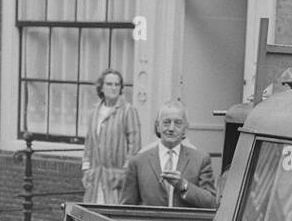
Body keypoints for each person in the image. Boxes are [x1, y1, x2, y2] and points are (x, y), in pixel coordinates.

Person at [121, 102, 216, 209]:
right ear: (157, 126)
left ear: (185, 128)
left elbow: (211, 203)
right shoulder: (138, 162)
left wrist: (184, 185)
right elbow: (126, 209)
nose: (171, 128)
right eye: (166, 122)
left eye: (178, 123)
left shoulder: (201, 160)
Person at [81, 68, 141, 204]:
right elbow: (89, 144)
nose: (113, 88)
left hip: (116, 181)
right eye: (109, 84)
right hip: (95, 179)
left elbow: (134, 147)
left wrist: (125, 173)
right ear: (101, 87)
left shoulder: (127, 111)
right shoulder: (94, 112)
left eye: (117, 84)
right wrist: (86, 170)